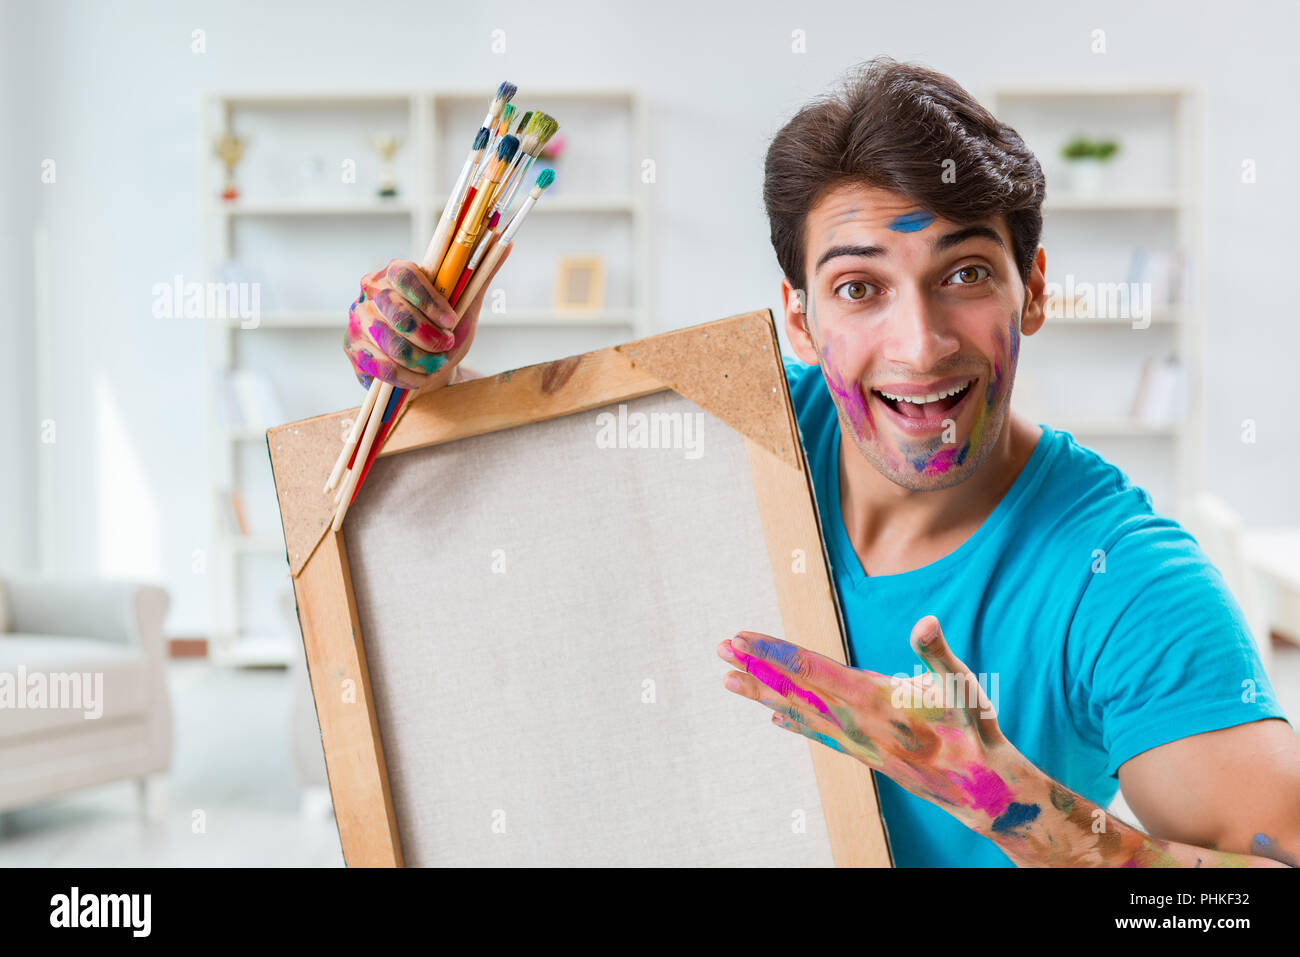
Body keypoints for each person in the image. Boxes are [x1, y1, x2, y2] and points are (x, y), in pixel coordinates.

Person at [342, 57, 1299, 868]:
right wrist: (430, 371)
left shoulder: (1123, 582)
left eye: (965, 275)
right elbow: (483, 541)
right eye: (859, 287)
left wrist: (1027, 811)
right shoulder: (728, 432)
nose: (919, 345)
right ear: (798, 315)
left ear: (1032, 289)